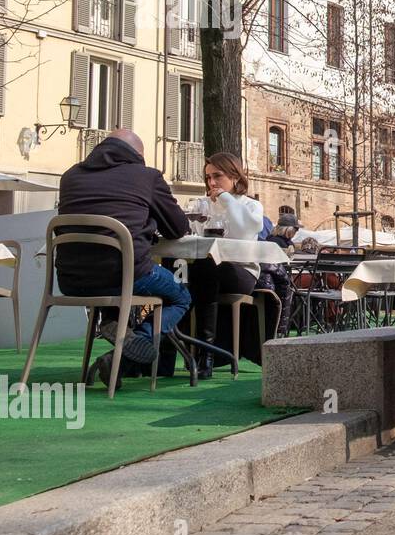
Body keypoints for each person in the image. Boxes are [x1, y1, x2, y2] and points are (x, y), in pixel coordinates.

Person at [55, 128, 192, 384]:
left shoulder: (70, 176)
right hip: (127, 274)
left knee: (120, 283)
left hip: (72, 280)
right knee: (181, 296)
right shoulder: (146, 176)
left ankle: (113, 325)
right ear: (137, 155)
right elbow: (177, 228)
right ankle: (127, 349)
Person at [188, 152, 264, 378]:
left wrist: (227, 200)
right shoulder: (202, 205)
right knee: (188, 271)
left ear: (235, 176)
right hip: (209, 271)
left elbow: (244, 233)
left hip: (243, 271)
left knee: (205, 269)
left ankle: (206, 354)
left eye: (217, 176)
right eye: (208, 177)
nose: (212, 183)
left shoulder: (251, 205)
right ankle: (193, 354)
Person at [254, 209, 300, 337]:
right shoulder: (273, 241)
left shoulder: (288, 242)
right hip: (277, 278)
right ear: (288, 229)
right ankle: (278, 329)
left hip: (284, 276)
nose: (297, 232)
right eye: (296, 229)